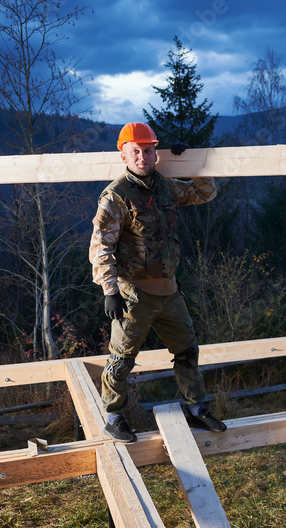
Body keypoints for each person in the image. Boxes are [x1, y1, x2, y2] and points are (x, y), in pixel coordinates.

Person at [89, 121, 226, 442]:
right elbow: (101, 246)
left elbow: (206, 192)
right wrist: (109, 290)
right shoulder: (116, 196)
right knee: (122, 359)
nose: (142, 157)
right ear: (124, 156)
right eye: (135, 151)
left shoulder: (166, 187)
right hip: (133, 293)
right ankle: (114, 415)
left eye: (148, 150)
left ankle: (195, 408)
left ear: (155, 153)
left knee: (187, 350)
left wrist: (191, 164)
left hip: (169, 290)